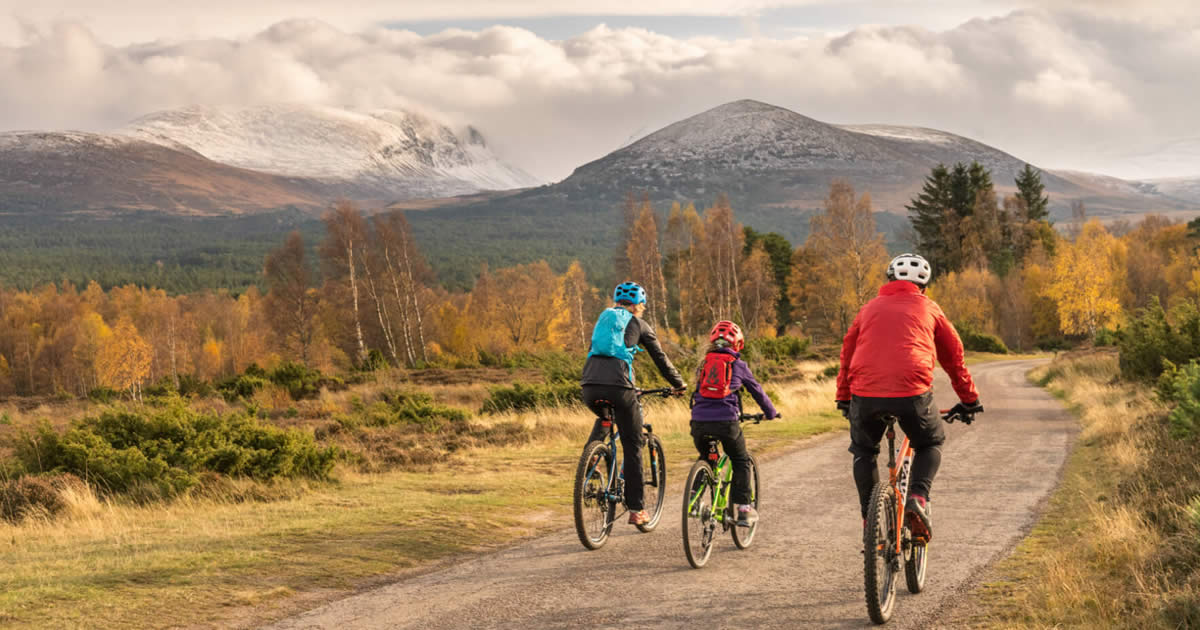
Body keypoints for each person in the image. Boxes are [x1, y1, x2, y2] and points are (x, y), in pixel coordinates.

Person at [835, 253, 984, 540]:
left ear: (889, 280)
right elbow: (954, 358)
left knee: (864, 451)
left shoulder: (868, 309)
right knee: (930, 442)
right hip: (912, 392)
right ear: (924, 287)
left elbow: (847, 353)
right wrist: (969, 399)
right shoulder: (930, 308)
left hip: (865, 394)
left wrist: (843, 396)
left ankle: (870, 520)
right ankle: (918, 498)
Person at [581, 281, 687, 526]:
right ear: (639, 305)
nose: (642, 309)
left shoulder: (603, 319)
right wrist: (678, 383)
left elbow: (597, 353)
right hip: (620, 387)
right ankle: (637, 510)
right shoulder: (639, 324)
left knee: (606, 418)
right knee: (633, 443)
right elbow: (660, 358)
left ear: (617, 301)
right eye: (642, 305)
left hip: (589, 385)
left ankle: (590, 463)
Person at [689, 320, 779, 526]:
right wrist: (771, 413)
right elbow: (757, 391)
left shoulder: (704, 363)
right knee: (740, 460)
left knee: (707, 457)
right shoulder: (738, 365)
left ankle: (693, 500)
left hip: (699, 423)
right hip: (726, 423)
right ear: (738, 344)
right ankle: (744, 510)